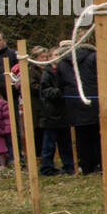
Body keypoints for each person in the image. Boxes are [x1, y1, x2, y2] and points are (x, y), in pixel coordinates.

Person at [56, 23, 100, 174]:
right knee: (97, 134)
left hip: (74, 104)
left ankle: (86, 166)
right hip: (94, 100)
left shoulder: (63, 61)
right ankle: (99, 163)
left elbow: (60, 83)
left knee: (81, 136)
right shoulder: (95, 57)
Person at [34, 46, 74, 175]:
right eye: (54, 55)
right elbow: (44, 91)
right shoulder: (47, 72)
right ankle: (47, 167)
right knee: (49, 144)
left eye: (59, 54)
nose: (57, 57)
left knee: (65, 142)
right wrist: (60, 92)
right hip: (50, 113)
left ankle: (68, 166)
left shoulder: (65, 70)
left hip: (64, 112)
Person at [0, 31, 20, 164]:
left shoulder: (13, 54)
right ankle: (0, 157)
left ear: (4, 41)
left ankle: (16, 157)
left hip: (11, 95)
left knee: (13, 127)